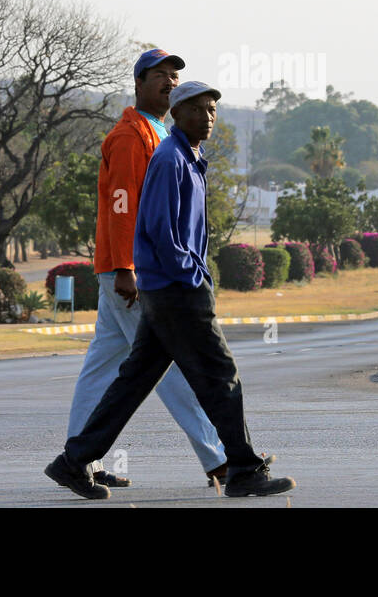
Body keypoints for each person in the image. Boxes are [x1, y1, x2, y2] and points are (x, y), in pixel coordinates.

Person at [46, 81, 294, 499]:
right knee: (221, 377)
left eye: (212, 110)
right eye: (196, 110)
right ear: (176, 114)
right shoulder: (170, 159)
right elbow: (159, 228)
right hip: (177, 290)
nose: (207, 117)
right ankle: (244, 469)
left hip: (168, 290)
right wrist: (192, 275)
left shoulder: (188, 157)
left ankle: (72, 462)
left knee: (134, 381)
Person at [55, 49, 226, 490]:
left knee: (104, 366)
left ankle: (80, 459)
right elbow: (122, 210)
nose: (170, 83)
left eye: (174, 77)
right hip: (132, 274)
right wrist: (125, 268)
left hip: (128, 272)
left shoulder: (158, 132)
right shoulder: (133, 136)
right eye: (160, 76)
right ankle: (220, 457)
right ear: (139, 83)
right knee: (167, 365)